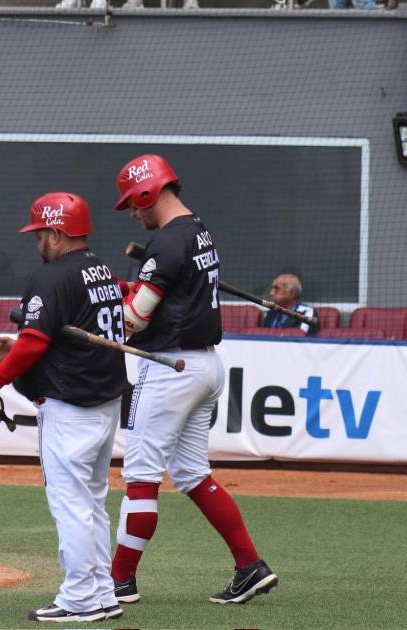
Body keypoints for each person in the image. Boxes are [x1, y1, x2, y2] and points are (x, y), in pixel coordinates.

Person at [110, 154, 278, 605]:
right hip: (206, 367)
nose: (132, 212)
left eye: (133, 202)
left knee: (141, 477)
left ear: (149, 193)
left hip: (169, 368)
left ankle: (117, 581)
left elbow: (133, 321)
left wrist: (103, 304)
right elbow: (172, 294)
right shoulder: (200, 230)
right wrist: (132, 289)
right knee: (190, 473)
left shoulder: (166, 244)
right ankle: (249, 566)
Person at [0, 192, 128, 624]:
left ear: (57, 233)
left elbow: (38, 340)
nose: (37, 240)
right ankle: (101, 592)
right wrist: (10, 348)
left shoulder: (52, 276)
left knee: (72, 504)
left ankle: (79, 598)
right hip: (103, 401)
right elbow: (56, 335)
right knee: (92, 501)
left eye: (40, 232)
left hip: (70, 405)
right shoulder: (102, 271)